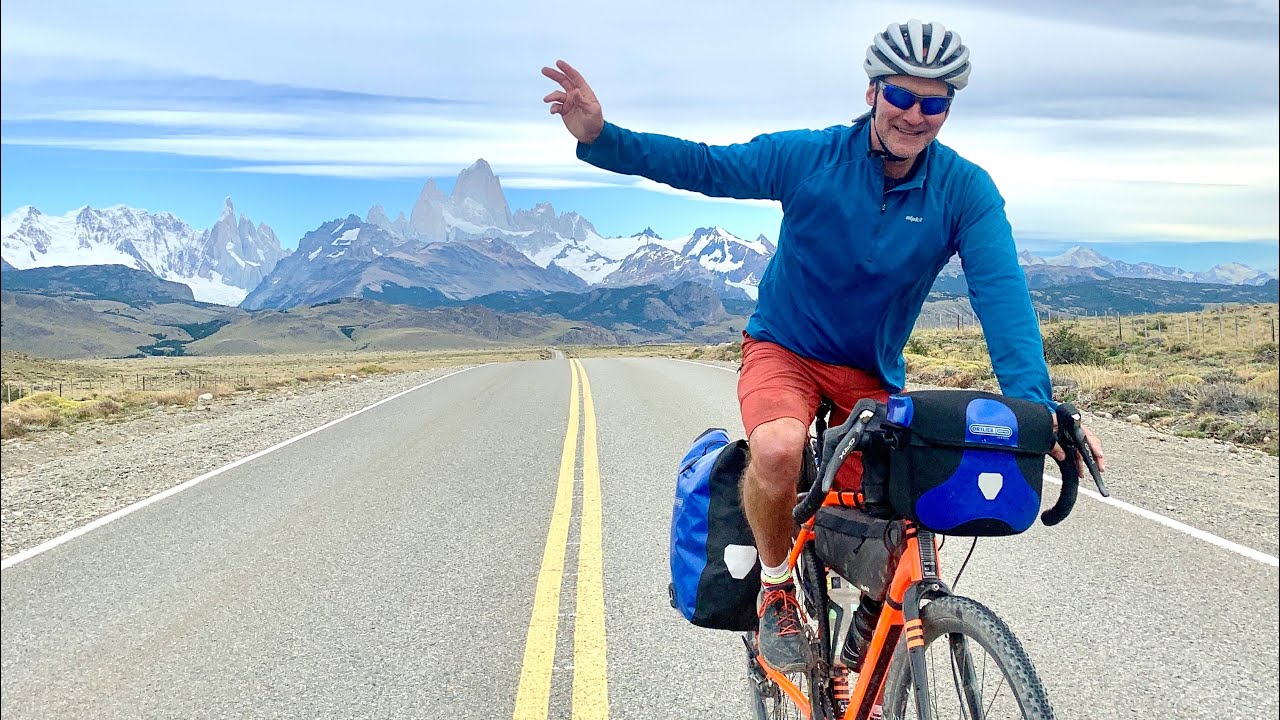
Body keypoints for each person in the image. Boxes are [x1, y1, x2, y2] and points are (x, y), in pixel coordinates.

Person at [542, 19, 1107, 674]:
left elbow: (1003, 299)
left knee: (902, 527)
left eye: (934, 103)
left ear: (949, 107)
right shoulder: (810, 158)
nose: (915, 115)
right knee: (778, 450)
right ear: (872, 91)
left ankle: (857, 665)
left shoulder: (964, 191)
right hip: (785, 348)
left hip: (869, 371)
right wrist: (602, 138)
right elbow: (705, 165)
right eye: (902, 96)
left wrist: (1035, 412)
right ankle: (778, 589)